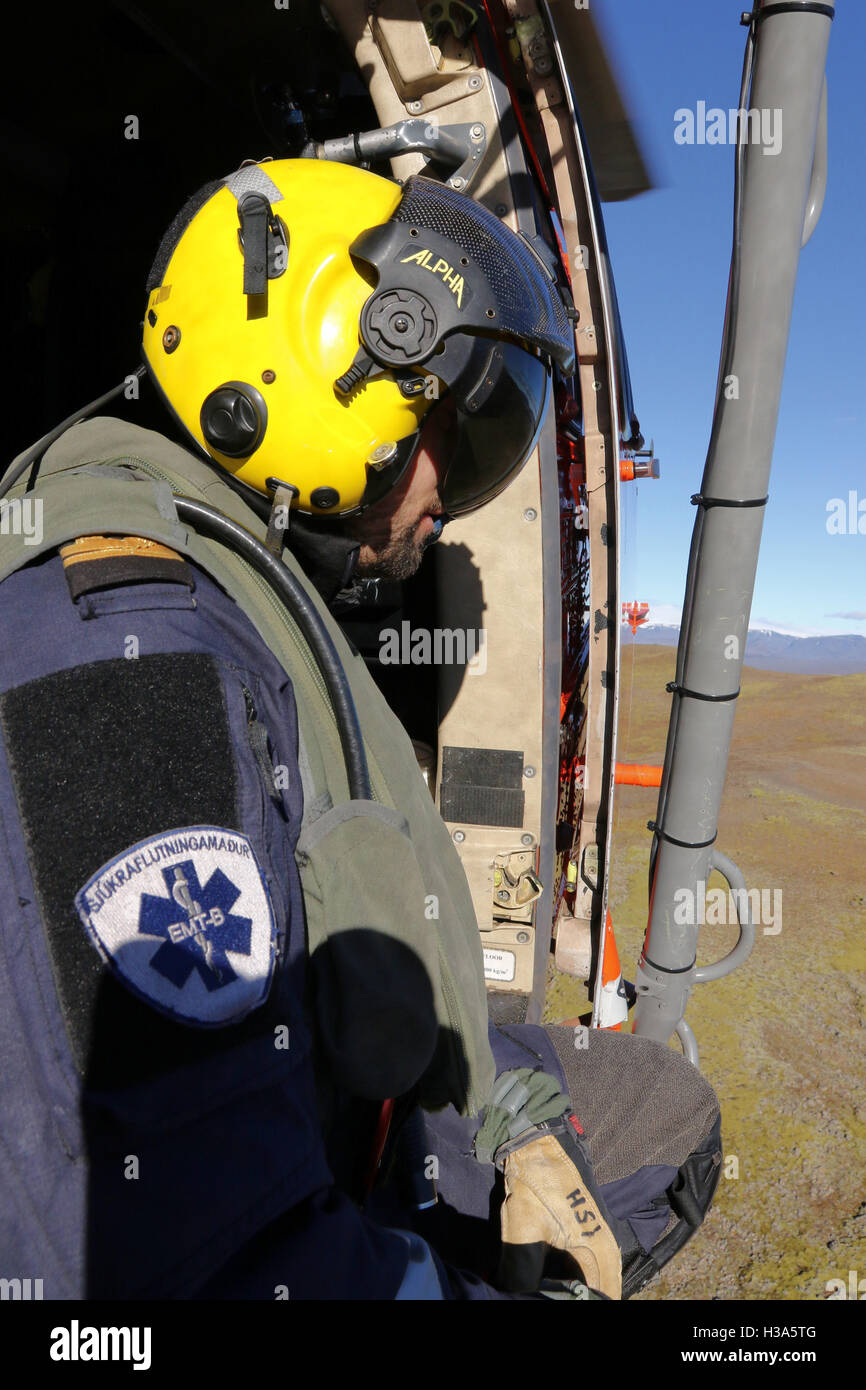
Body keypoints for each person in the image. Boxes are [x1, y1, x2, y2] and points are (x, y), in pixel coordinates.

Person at [0, 157, 721, 1300]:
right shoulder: (125, 667)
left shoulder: (242, 602)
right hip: (253, 1222)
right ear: (320, 365)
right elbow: (198, 1257)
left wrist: (506, 1117)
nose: (455, 491)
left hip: (329, 1107)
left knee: (665, 1115)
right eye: (448, 425)